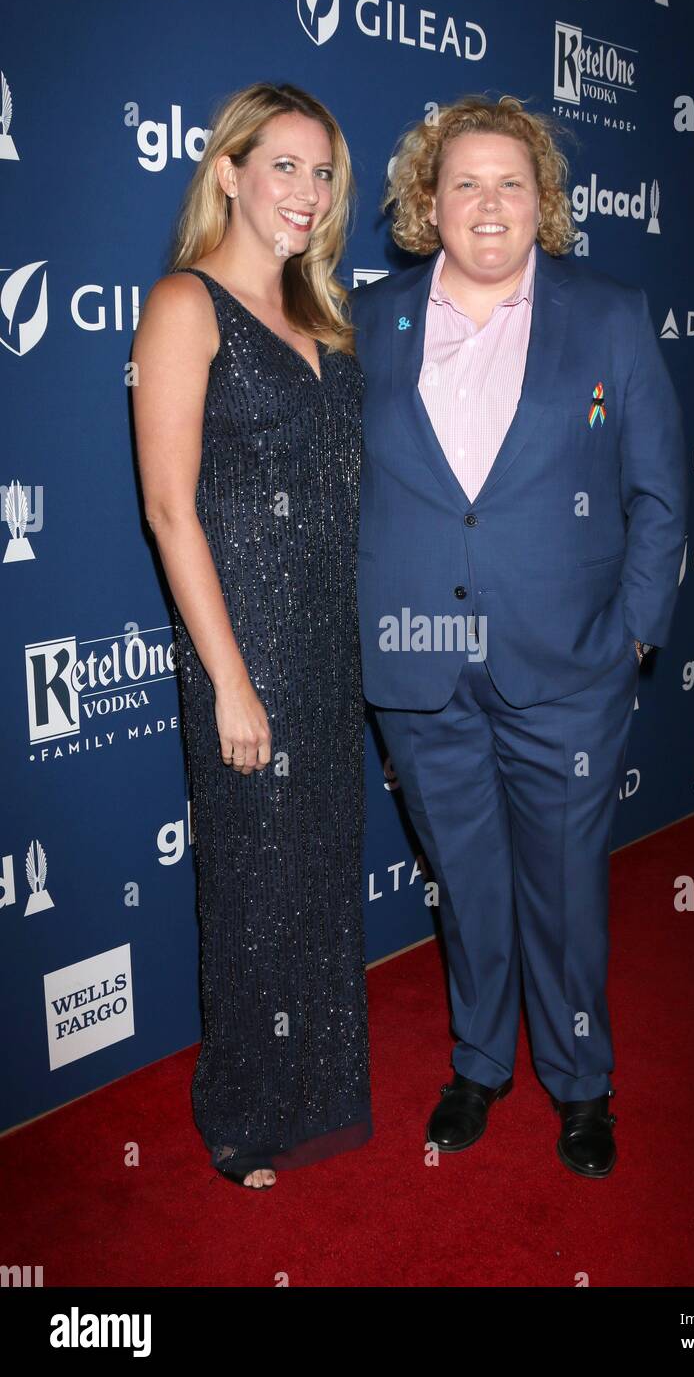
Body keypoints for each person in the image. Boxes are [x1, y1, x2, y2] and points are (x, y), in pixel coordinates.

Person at [350, 94, 688, 1179]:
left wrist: (633, 636)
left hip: (568, 670)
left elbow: (658, 495)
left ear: (541, 202)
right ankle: (478, 1062)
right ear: (425, 202)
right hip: (416, 665)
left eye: (510, 182)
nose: (486, 204)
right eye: (463, 183)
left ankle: (581, 1083)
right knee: (466, 882)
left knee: (564, 888)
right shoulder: (369, 321)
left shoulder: (609, 312)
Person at [132, 82, 372, 1190]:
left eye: (322, 173)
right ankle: (239, 1113)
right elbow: (170, 508)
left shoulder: (321, 316)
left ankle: (317, 1090)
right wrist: (228, 679)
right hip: (250, 642)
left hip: (329, 641)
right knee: (249, 884)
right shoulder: (185, 304)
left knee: (317, 873)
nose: (307, 192)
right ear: (228, 171)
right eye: (284, 165)